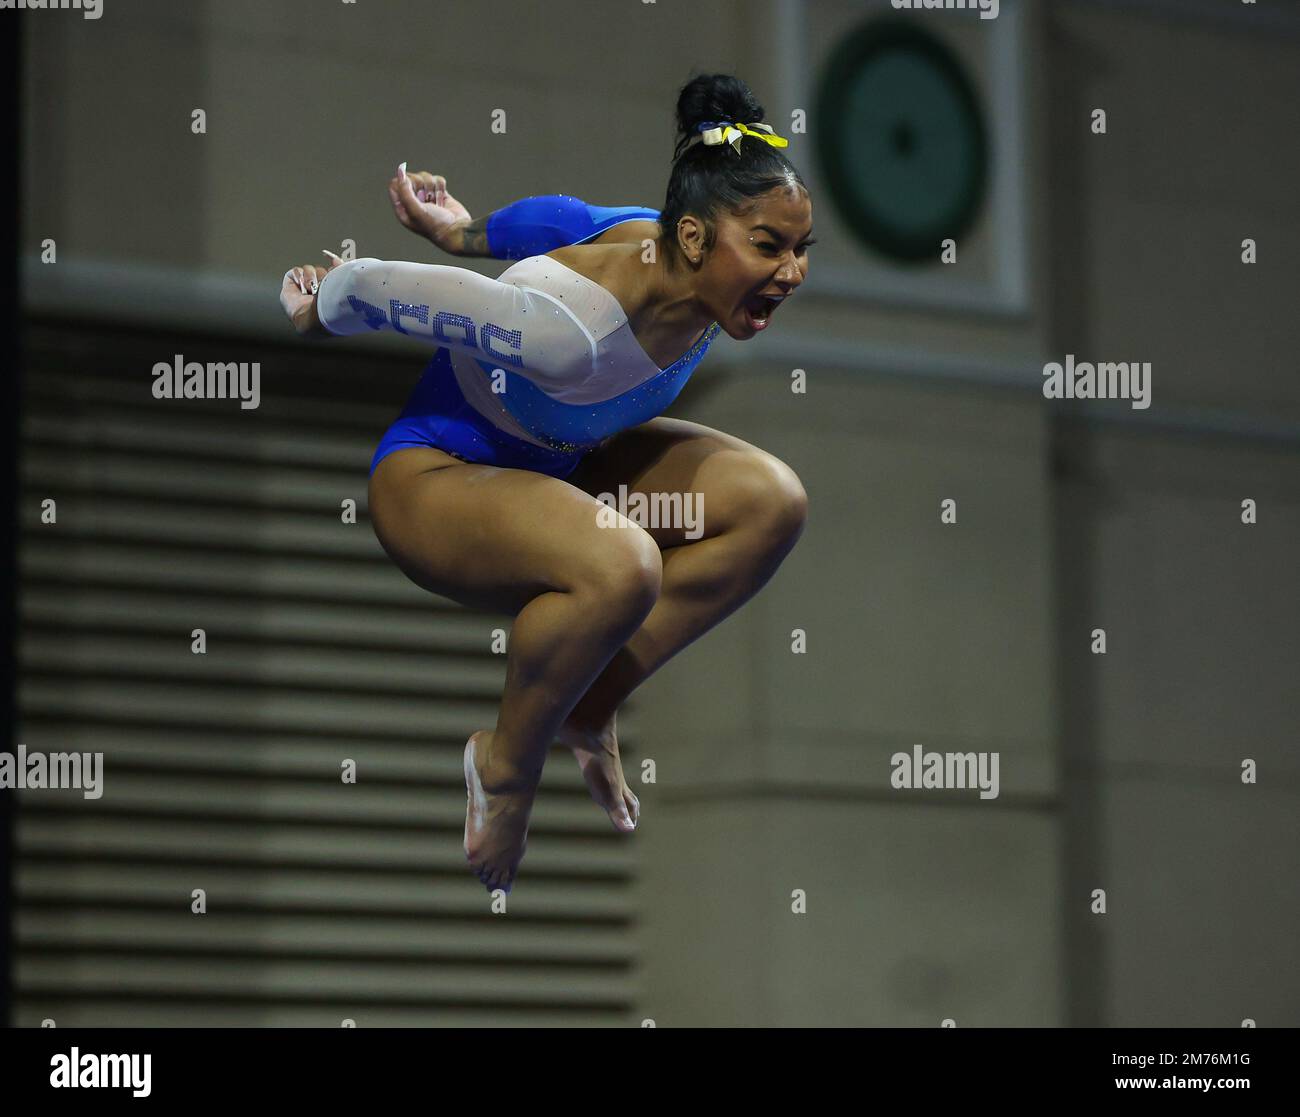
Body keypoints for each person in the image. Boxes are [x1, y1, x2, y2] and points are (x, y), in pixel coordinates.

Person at [278, 74, 814, 893]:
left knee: (771, 503)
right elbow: (404, 295)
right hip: (440, 477)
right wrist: (330, 300)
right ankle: (504, 766)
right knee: (622, 566)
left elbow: (558, 219)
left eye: (801, 248)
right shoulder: (569, 333)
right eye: (771, 247)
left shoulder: (658, 239)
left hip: (560, 460)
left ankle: (592, 701)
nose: (792, 272)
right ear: (700, 240)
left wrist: (463, 231)